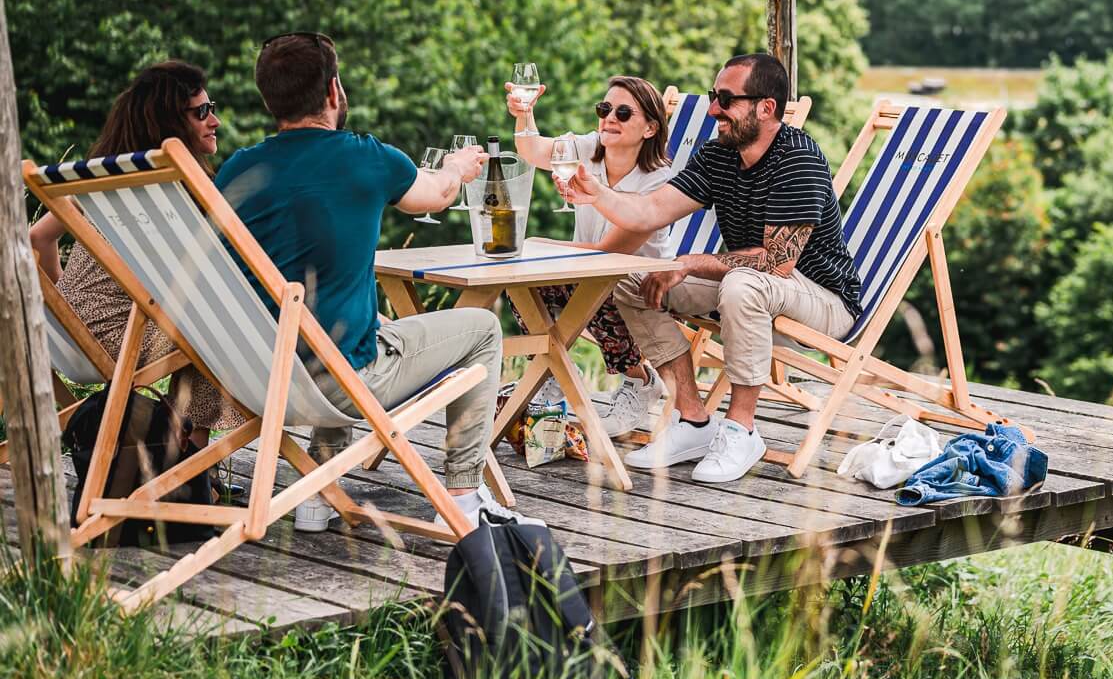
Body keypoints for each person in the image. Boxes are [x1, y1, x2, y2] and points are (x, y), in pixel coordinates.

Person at [213, 31, 521, 531]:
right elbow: (436, 195)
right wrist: (457, 168)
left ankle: (316, 492)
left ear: (270, 99)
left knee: (349, 322)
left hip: (261, 376)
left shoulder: (239, 168)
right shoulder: (367, 156)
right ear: (334, 91)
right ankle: (465, 497)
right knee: (483, 328)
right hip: (342, 384)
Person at [554, 53, 860, 483]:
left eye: (725, 99)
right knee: (628, 275)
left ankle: (741, 430)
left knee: (742, 284)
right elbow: (649, 211)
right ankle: (694, 421)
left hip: (823, 299)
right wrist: (595, 192)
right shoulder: (719, 155)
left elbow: (777, 261)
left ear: (765, 108)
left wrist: (689, 263)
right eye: (715, 97)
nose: (713, 109)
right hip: (747, 283)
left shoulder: (798, 159)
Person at [29, 60, 244, 449]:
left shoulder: (102, 178)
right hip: (112, 343)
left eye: (211, 108)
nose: (214, 121)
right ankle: (193, 462)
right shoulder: (178, 193)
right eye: (202, 112)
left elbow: (37, 239)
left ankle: (181, 458)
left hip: (56, 334)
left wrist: (66, 308)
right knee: (212, 326)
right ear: (170, 125)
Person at [507, 74, 677, 436]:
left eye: (623, 112)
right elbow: (532, 150)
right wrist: (525, 115)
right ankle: (555, 372)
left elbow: (609, 252)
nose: (609, 117)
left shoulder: (658, 181)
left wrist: (539, 246)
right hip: (586, 272)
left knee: (596, 284)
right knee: (520, 285)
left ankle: (640, 381)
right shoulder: (587, 148)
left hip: (639, 287)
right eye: (605, 109)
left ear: (650, 128)